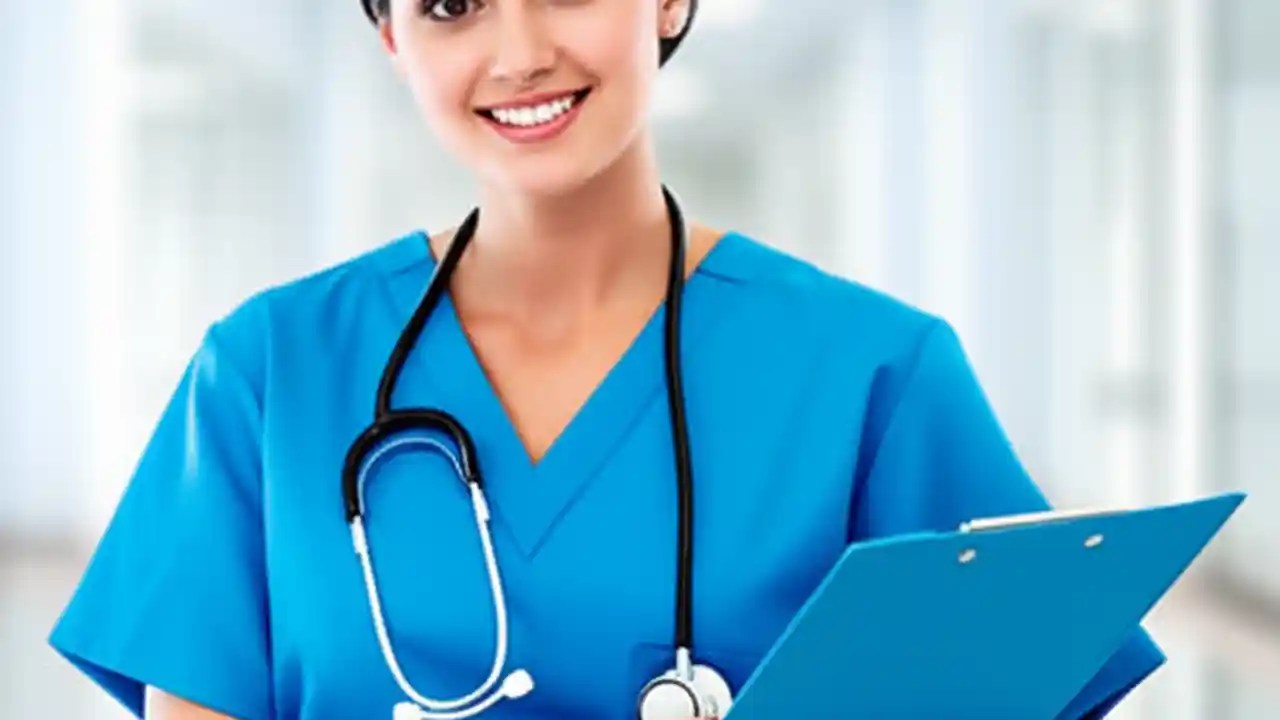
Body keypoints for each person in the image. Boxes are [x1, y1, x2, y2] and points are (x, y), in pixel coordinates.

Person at [48, 0, 1165, 718]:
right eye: (451, 5)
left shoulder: (875, 374)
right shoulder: (268, 373)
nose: (521, 49)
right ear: (391, 36)